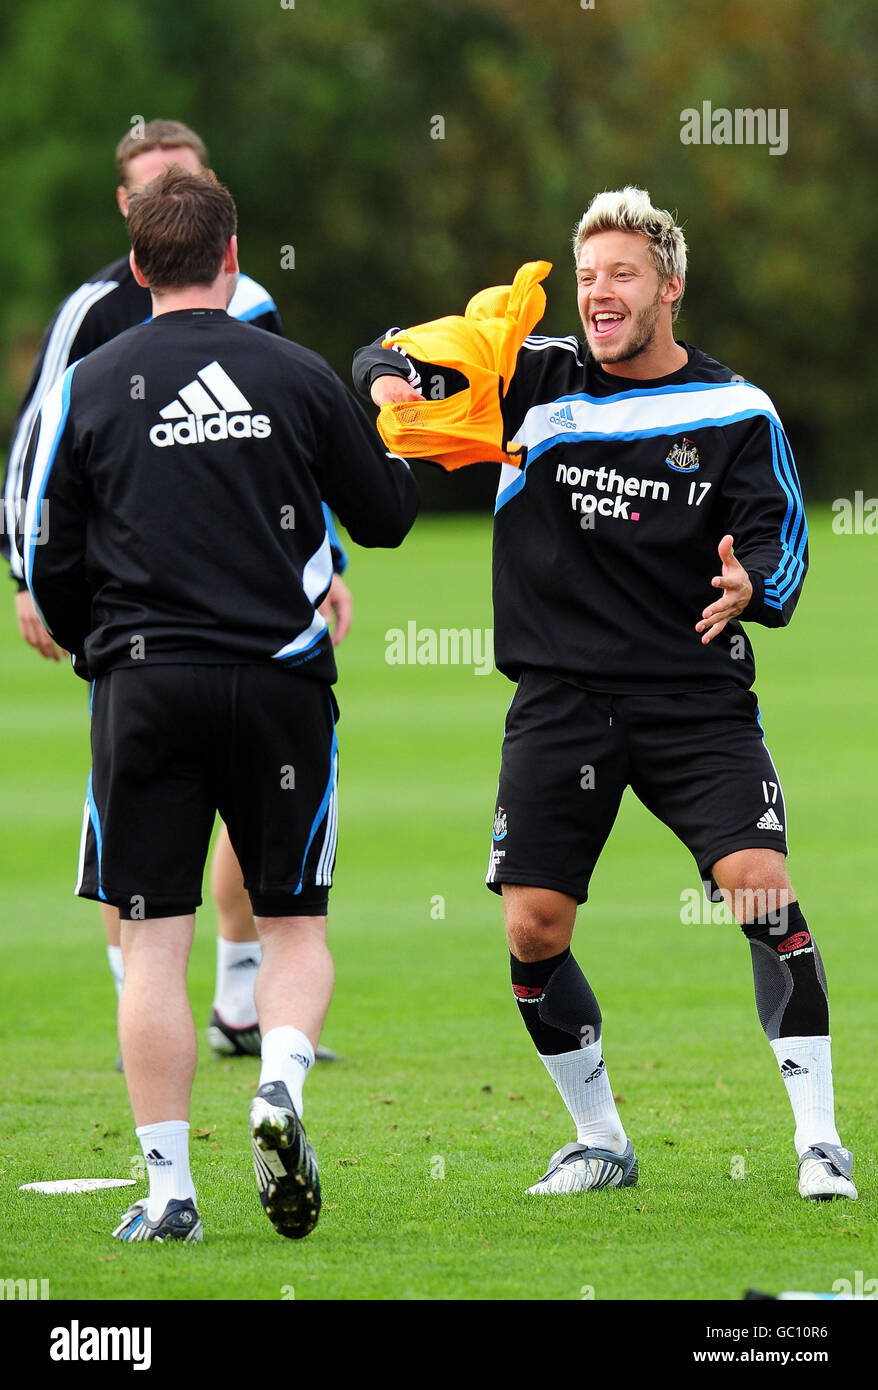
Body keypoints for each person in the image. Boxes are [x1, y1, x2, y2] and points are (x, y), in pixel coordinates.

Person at [353, 186, 855, 1203]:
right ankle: (598, 1140)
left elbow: (781, 536)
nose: (597, 294)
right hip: (562, 698)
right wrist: (393, 385)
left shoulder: (732, 409)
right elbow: (387, 351)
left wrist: (751, 583)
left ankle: (818, 1139)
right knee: (532, 930)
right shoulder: (530, 380)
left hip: (690, 694)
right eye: (585, 278)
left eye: (620, 273)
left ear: (667, 286)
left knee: (758, 880)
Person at [19, 168, 418, 1241]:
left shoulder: (90, 382)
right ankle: (279, 1081)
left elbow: (45, 547)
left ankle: (167, 1192)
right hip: (281, 685)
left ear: (139, 267)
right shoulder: (294, 372)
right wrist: (396, 421)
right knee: (292, 922)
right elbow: (382, 519)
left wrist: (83, 631)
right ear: (233, 256)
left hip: (144, 684)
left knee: (151, 943)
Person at [2, 119, 350, 1061]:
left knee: (226, 826)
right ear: (128, 212)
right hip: (165, 633)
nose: (170, 194)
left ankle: (234, 1013)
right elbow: (37, 452)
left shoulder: (260, 313)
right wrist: (31, 581)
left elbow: (290, 455)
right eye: (155, 184)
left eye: (184, 179)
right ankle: (180, 1022)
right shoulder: (90, 319)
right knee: (180, 860)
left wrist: (326, 566)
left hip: (172, 651)